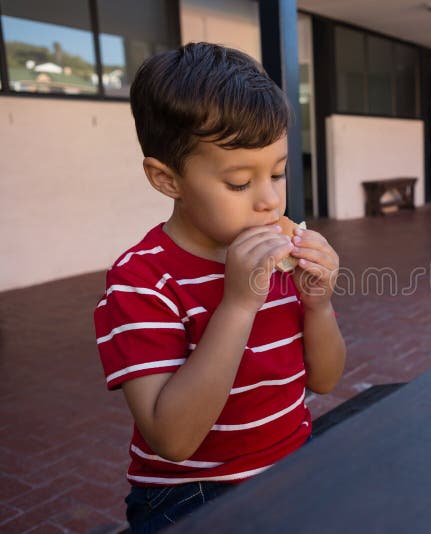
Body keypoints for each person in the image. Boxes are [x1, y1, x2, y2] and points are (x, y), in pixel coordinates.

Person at [93, 42, 346, 532]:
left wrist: (318, 306)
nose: (270, 200)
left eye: (277, 172)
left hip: (294, 462)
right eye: (238, 184)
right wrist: (237, 304)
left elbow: (325, 381)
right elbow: (173, 438)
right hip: (191, 495)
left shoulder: (278, 257)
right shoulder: (141, 282)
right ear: (167, 180)